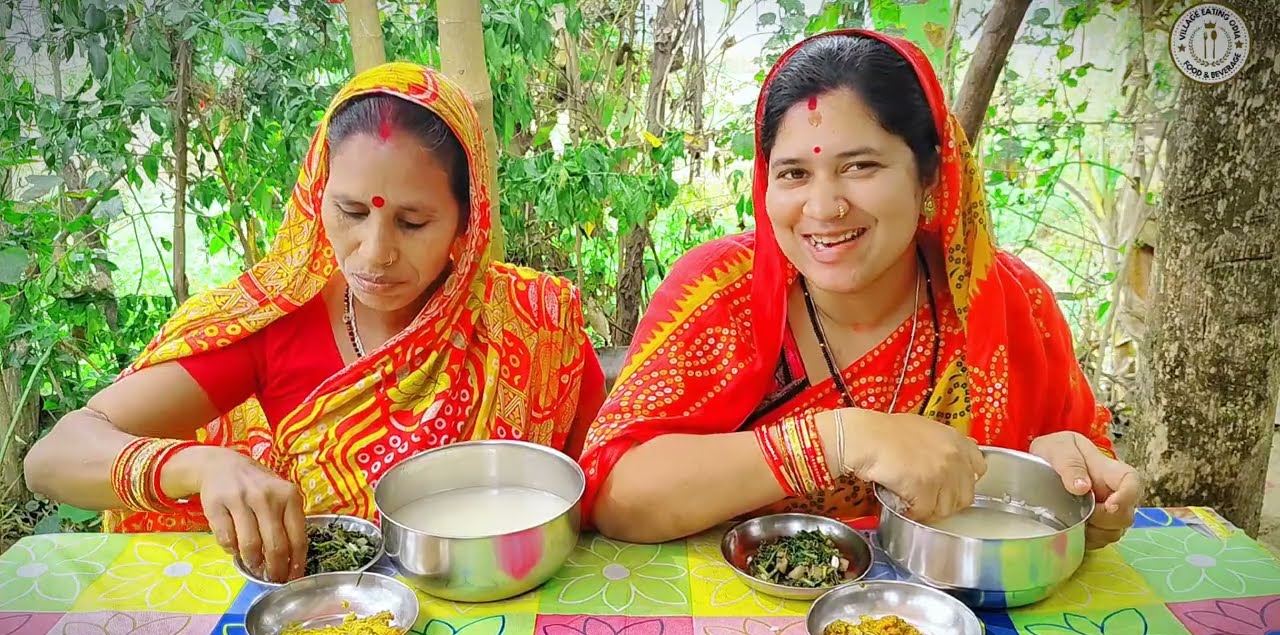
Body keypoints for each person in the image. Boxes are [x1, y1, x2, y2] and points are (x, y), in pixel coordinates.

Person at [25, 63, 607, 582]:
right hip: (327, 630)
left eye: (413, 223)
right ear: (316, 198)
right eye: (351, 212)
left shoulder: (533, 325)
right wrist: (201, 466)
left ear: (466, 223)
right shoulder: (275, 322)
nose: (374, 253)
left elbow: (593, 493)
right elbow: (51, 460)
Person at [580, 30, 1139, 548]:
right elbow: (616, 496)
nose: (824, 208)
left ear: (929, 175)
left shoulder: (1009, 303)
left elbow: (1080, 500)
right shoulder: (720, 294)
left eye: (861, 166)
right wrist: (841, 439)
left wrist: (1070, 482)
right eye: (794, 174)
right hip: (735, 624)